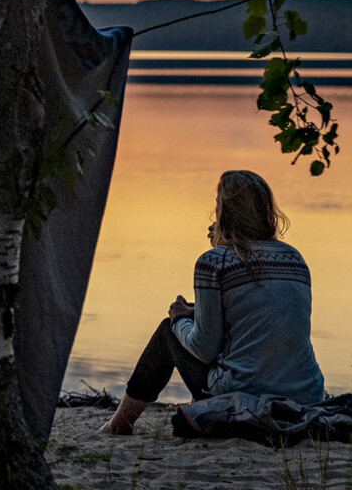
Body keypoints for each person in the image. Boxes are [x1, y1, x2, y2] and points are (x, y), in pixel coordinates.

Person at [99, 170, 324, 435]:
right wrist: (197, 310)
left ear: (224, 211)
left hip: (242, 394)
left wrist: (180, 319)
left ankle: (119, 425)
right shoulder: (295, 258)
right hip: (307, 395)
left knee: (167, 332)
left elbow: (203, 348)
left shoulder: (212, 262)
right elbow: (257, 316)